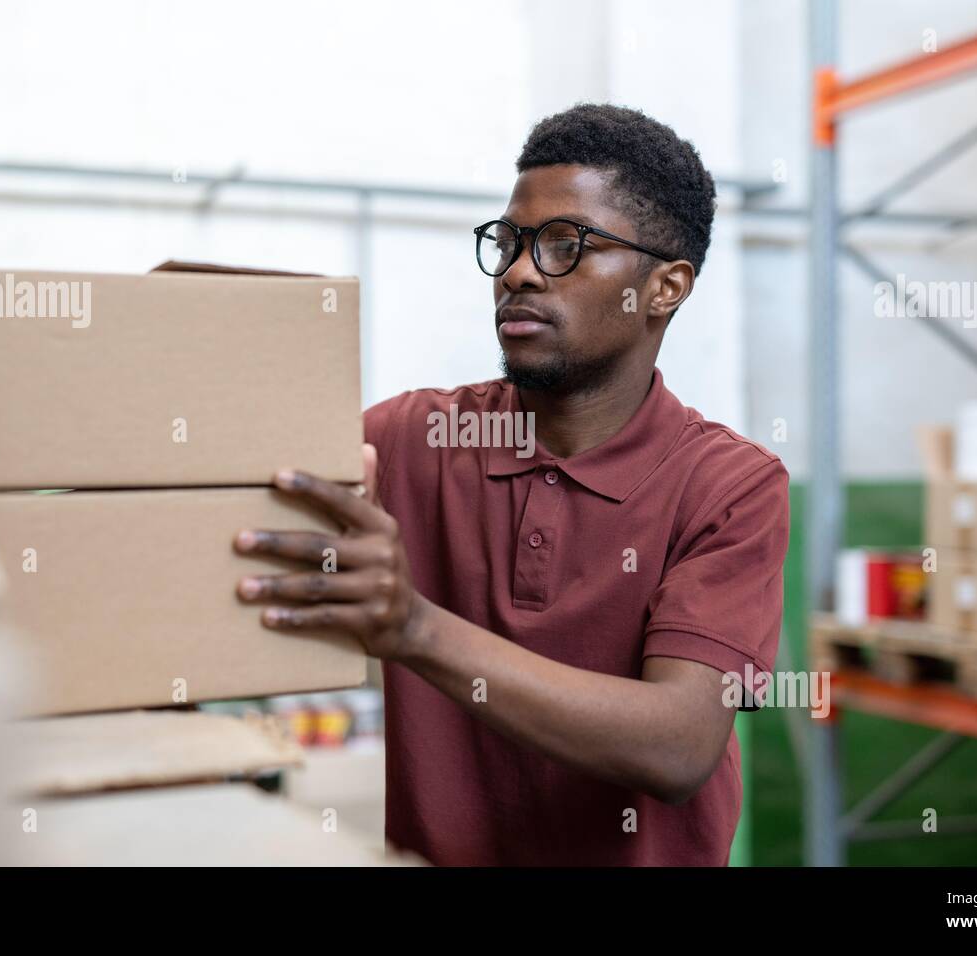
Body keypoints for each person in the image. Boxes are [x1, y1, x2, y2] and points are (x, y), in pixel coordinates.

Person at [234, 103, 790, 866]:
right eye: (510, 242)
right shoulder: (413, 439)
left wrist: (413, 627)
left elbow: (681, 744)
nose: (520, 272)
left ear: (664, 289)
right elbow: (211, 491)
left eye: (567, 246)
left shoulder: (729, 485)